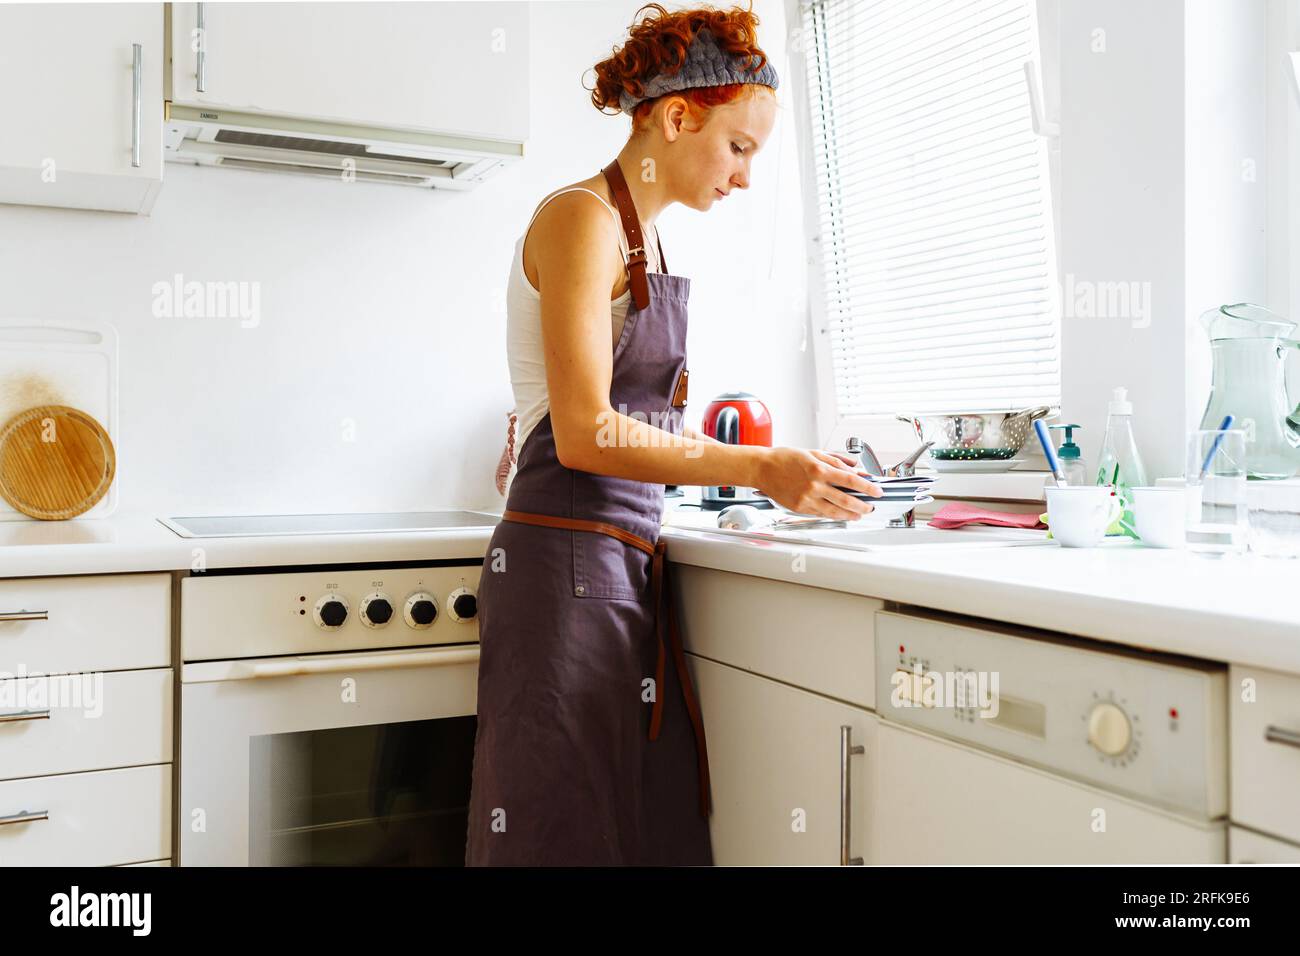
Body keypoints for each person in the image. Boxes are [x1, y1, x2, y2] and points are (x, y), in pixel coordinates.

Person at [465, 1, 881, 867]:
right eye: (739, 147)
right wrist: (760, 465)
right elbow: (584, 435)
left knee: (622, 829)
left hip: (616, 564)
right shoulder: (580, 218)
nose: (744, 177)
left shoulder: (640, 238)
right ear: (678, 116)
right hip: (561, 571)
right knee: (558, 834)